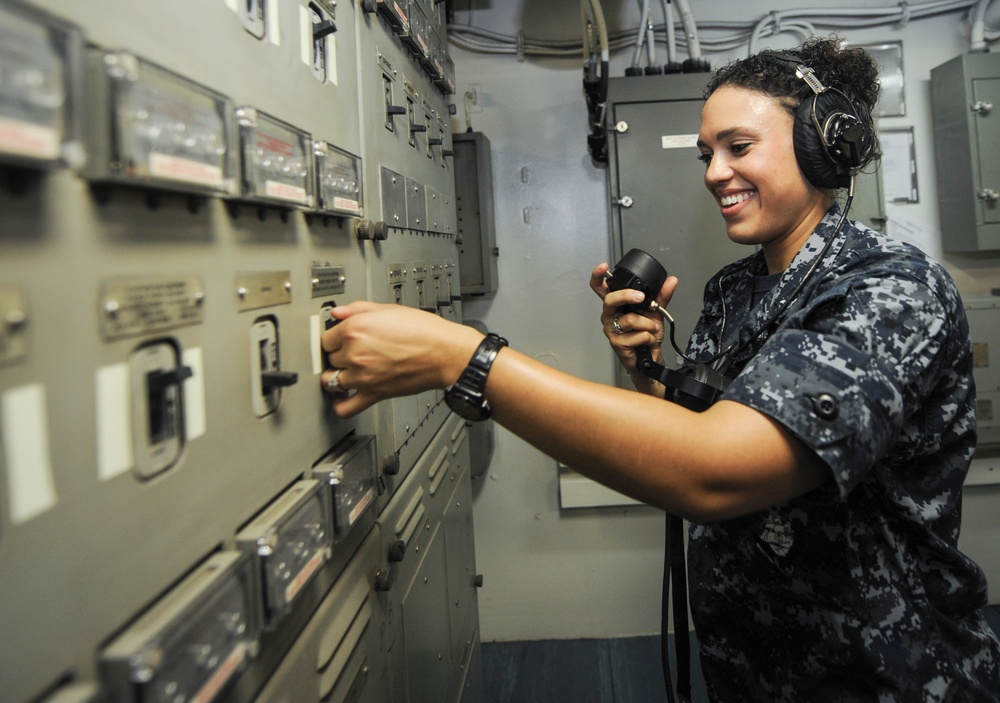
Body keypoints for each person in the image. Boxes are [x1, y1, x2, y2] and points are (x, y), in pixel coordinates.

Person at [320, 36, 1000, 701]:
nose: (713, 172)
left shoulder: (890, 288)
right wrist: (646, 370)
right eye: (707, 154)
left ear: (826, 148)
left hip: (886, 672)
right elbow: (689, 432)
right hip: (757, 663)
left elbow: (713, 470)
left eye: (739, 146)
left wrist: (465, 357)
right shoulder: (736, 289)